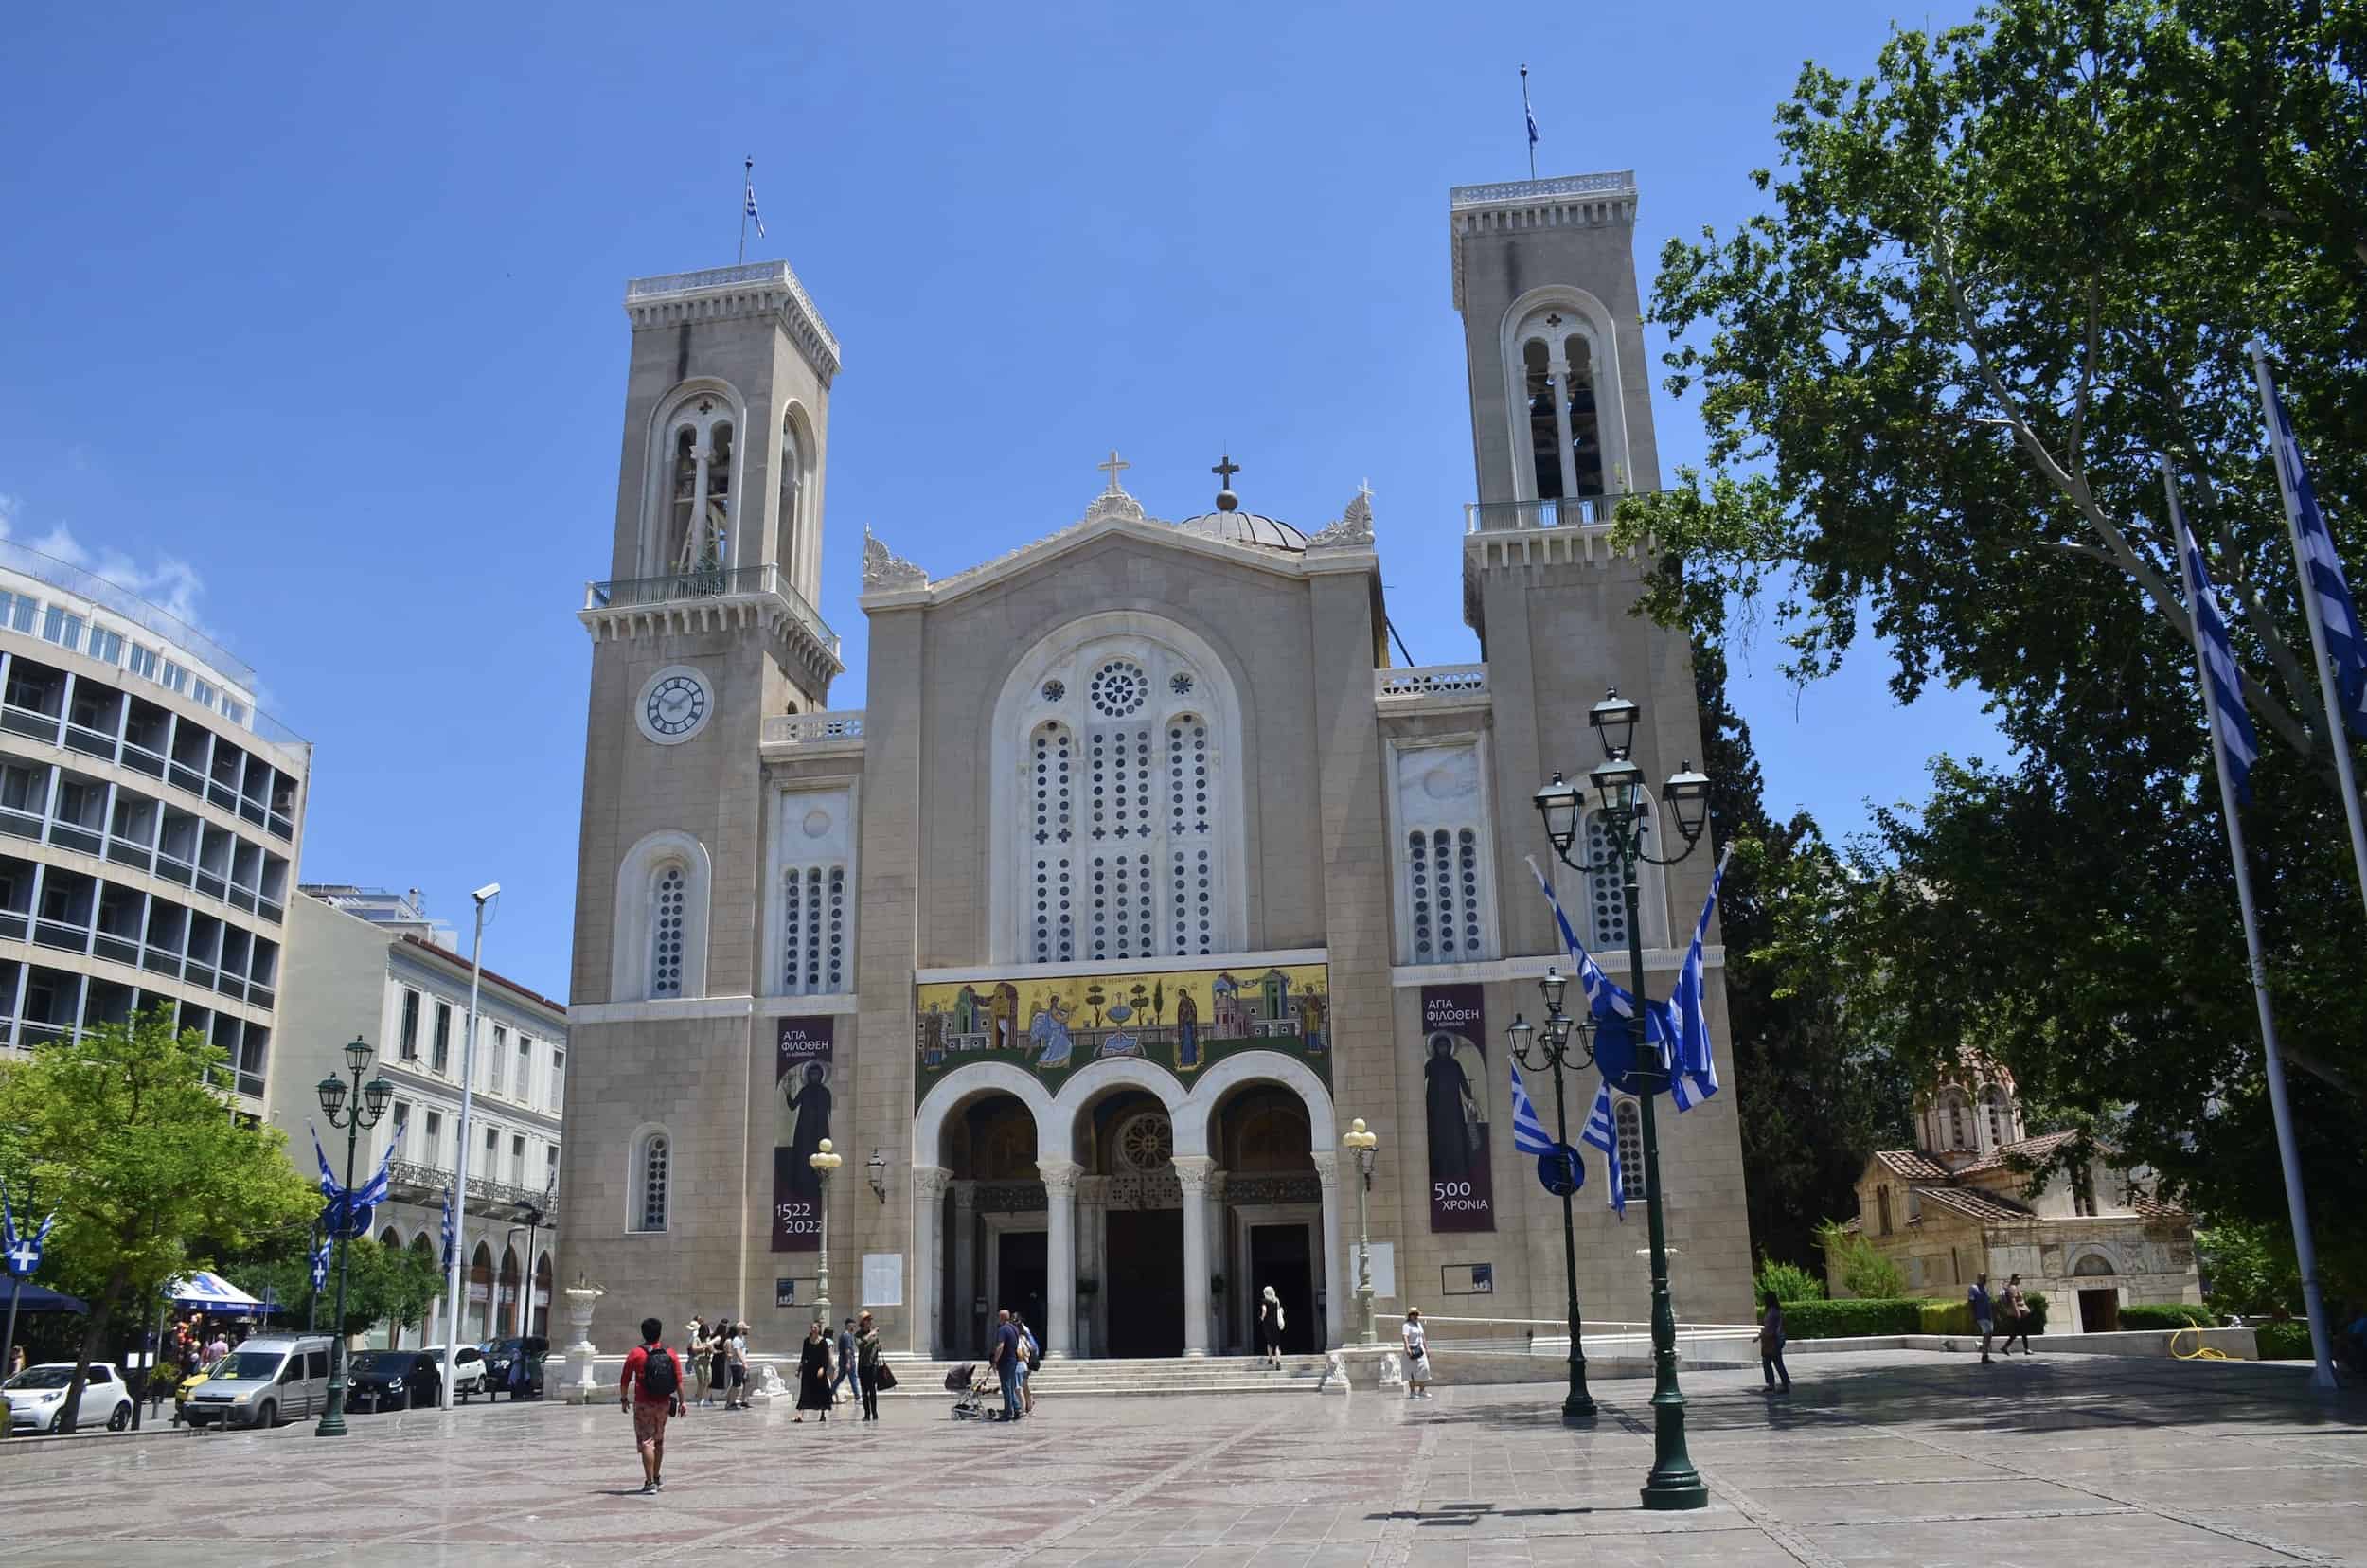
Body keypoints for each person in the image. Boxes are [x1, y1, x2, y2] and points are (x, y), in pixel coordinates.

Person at [619, 1316, 685, 1497]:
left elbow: (625, 1379)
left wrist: (624, 1398)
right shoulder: (670, 1352)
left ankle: (649, 1483)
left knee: (646, 1441)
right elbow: (679, 1379)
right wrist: (682, 1401)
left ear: (643, 1333)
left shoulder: (636, 1353)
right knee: (659, 1440)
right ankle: (656, 1477)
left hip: (643, 1403)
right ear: (659, 1333)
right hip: (663, 1402)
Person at [794, 1320, 833, 1422]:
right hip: (808, 1370)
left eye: (815, 1327)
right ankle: (800, 1415)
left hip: (819, 1371)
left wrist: (823, 1368)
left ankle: (822, 1413)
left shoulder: (823, 1341)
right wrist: (799, 1369)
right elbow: (804, 1356)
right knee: (804, 1391)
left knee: (821, 1391)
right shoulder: (806, 1341)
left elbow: (825, 1357)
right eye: (812, 1327)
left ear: (819, 1329)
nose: (813, 1329)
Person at [989, 1308, 1023, 1422]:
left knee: (1006, 1387)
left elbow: (1000, 1346)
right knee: (1011, 1386)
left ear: (1001, 1318)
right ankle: (1017, 1409)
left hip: (1005, 1362)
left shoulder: (1002, 1329)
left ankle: (1008, 1413)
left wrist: (994, 1360)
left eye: (999, 1317)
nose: (998, 1319)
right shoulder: (1014, 1329)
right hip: (1013, 1360)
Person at [855, 1310, 883, 1422]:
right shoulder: (858, 1335)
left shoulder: (873, 1334)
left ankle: (874, 1412)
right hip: (863, 1366)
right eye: (867, 1320)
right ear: (862, 1322)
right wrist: (871, 1335)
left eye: (870, 1320)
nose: (870, 1322)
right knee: (864, 1391)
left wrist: (878, 1347)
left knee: (872, 1390)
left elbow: (875, 1346)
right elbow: (860, 1346)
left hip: (872, 1365)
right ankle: (867, 1414)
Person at [1759, 1292, 1790, 1394]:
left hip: (1773, 1340)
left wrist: (1761, 1336)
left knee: (1776, 1362)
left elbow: (1769, 1327)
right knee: (1768, 1362)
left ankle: (1783, 1385)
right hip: (1772, 1339)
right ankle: (1773, 1384)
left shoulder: (1772, 1312)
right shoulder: (1773, 1311)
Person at [2000, 1274, 2035, 1355]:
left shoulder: (2012, 1287)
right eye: (2018, 1279)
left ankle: (2006, 1347)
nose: (2020, 1280)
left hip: (2018, 1312)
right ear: (2014, 1279)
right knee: (2022, 1331)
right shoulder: (2012, 1287)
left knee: (2018, 1331)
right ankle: (2026, 1349)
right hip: (2018, 1312)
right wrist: (2017, 1313)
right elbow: (2013, 1301)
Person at [1401, 1309, 1433, 1399]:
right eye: (1413, 1314)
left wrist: (1427, 1349)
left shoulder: (1419, 1325)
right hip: (1411, 1349)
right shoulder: (1406, 1325)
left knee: (1425, 1369)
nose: (1415, 1316)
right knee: (1411, 1372)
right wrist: (1407, 1349)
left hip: (1420, 1350)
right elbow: (1405, 1337)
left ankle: (1422, 1391)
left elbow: (1423, 1337)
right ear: (1410, 1316)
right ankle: (1412, 1392)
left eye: (1416, 1314)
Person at [1968, 1274, 1997, 1365]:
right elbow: (1971, 1302)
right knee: (1988, 1333)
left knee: (1989, 1334)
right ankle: (1984, 1356)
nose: (1984, 1279)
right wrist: (1973, 1315)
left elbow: (1989, 1301)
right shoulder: (1973, 1288)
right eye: (1983, 1278)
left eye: (1985, 1278)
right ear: (1979, 1278)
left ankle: (1984, 1351)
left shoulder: (1986, 1288)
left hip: (1988, 1315)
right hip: (1981, 1315)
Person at [1013, 1311, 1038, 1415]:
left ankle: (1025, 1407)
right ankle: (1029, 1405)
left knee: (1021, 1386)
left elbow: (1020, 1351)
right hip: (1030, 1361)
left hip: (1024, 1362)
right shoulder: (1026, 1332)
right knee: (1025, 1384)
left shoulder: (1019, 1336)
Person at [832, 1317, 859, 1407]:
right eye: (852, 1325)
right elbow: (847, 1350)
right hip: (848, 1361)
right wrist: (848, 1362)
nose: (854, 1327)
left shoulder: (846, 1335)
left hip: (844, 1360)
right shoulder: (847, 1335)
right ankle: (858, 1397)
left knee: (840, 1378)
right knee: (853, 1379)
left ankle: (829, 1394)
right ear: (848, 1325)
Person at [1258, 1286, 1287, 1367]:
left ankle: (1270, 1359)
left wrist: (1262, 1317)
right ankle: (1278, 1361)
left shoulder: (1264, 1301)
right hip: (1276, 1324)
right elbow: (1279, 1311)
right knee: (1277, 1344)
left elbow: (1264, 1310)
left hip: (1268, 1323)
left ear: (1265, 1293)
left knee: (1269, 1342)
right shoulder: (1276, 1301)